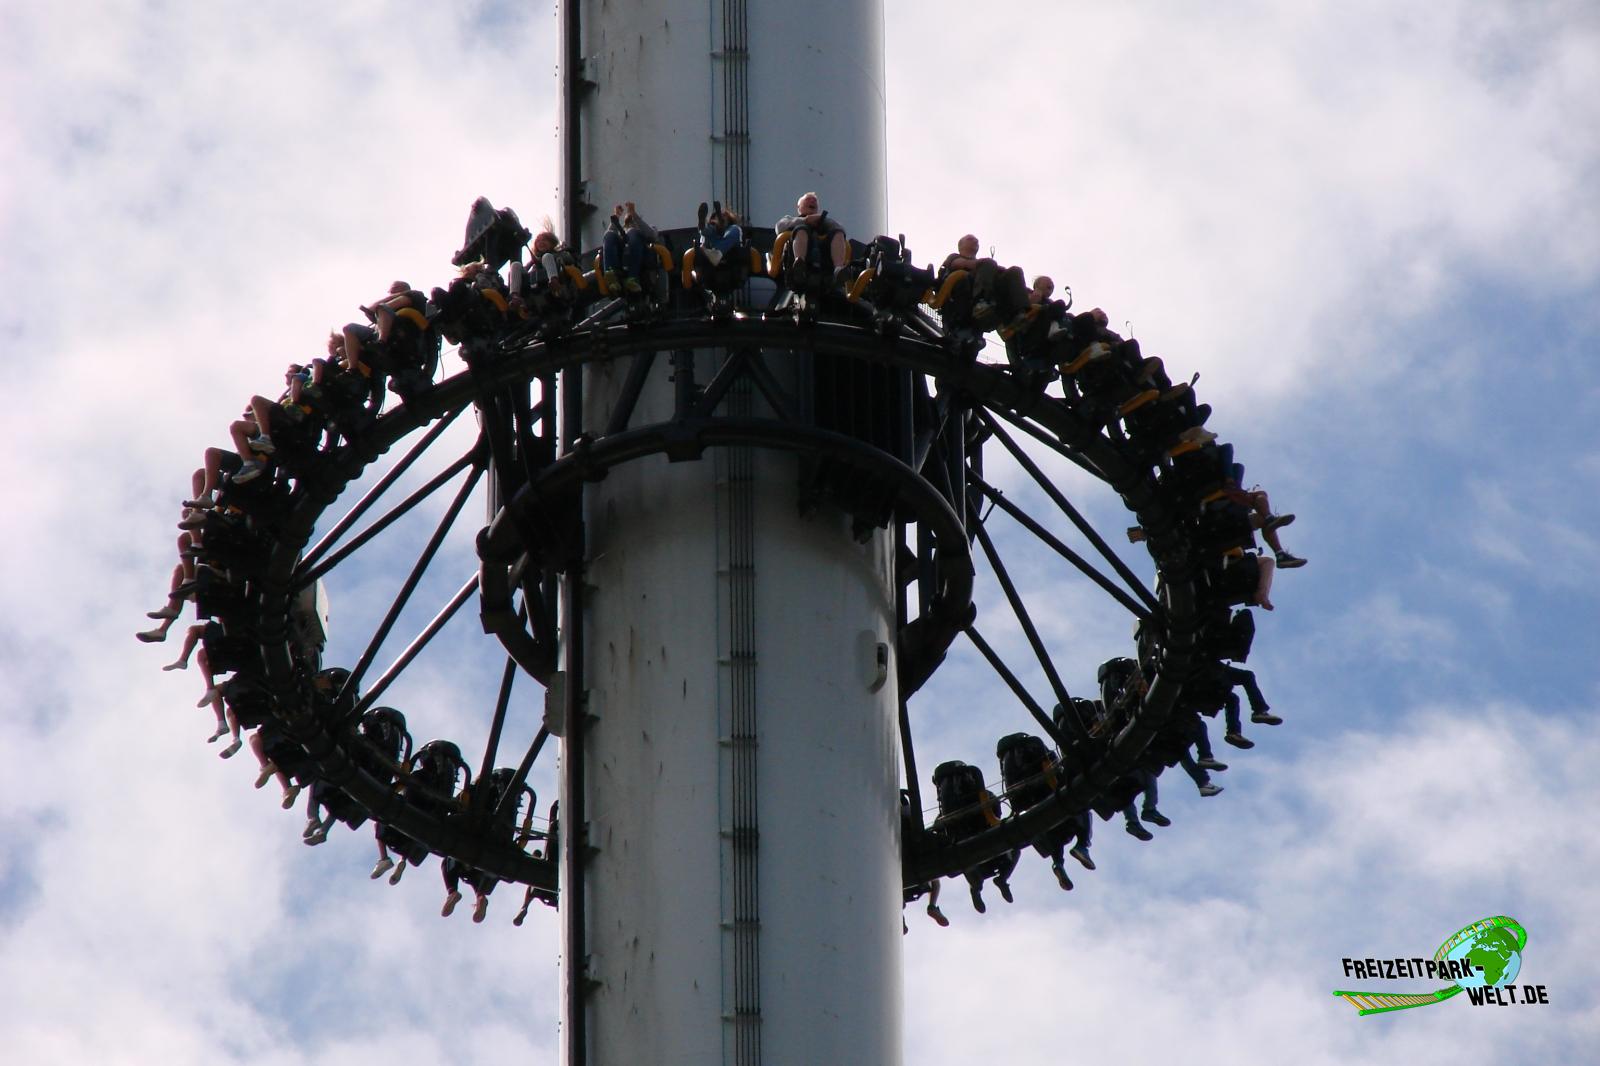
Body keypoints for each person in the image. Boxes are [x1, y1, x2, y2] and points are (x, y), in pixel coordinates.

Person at [775, 191, 849, 287]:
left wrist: (824, 221)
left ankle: (838, 269)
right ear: (799, 207)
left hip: (825, 264)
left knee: (838, 232)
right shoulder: (790, 219)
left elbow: (841, 230)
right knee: (801, 229)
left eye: (814, 200)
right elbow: (779, 227)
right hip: (796, 262)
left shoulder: (826, 225)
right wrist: (805, 220)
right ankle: (799, 263)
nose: (812, 201)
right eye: (808, 199)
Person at [601, 201, 660, 296]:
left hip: (642, 259)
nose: (630, 224)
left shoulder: (643, 230)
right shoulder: (622, 235)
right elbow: (610, 236)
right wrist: (616, 216)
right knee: (609, 235)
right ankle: (611, 274)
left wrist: (634, 215)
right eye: (628, 223)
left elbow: (652, 235)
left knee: (633, 233)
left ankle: (632, 278)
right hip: (622, 260)